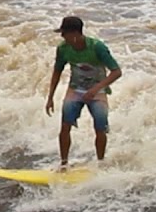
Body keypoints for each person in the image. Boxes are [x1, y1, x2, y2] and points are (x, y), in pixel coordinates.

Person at [43, 16, 122, 167]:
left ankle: (100, 163)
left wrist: (96, 89)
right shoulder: (63, 49)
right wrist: (50, 97)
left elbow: (116, 71)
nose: (62, 36)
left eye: (64, 33)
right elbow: (57, 72)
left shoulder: (97, 47)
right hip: (75, 90)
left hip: (97, 92)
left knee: (100, 129)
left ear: (74, 34)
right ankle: (64, 164)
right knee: (65, 127)